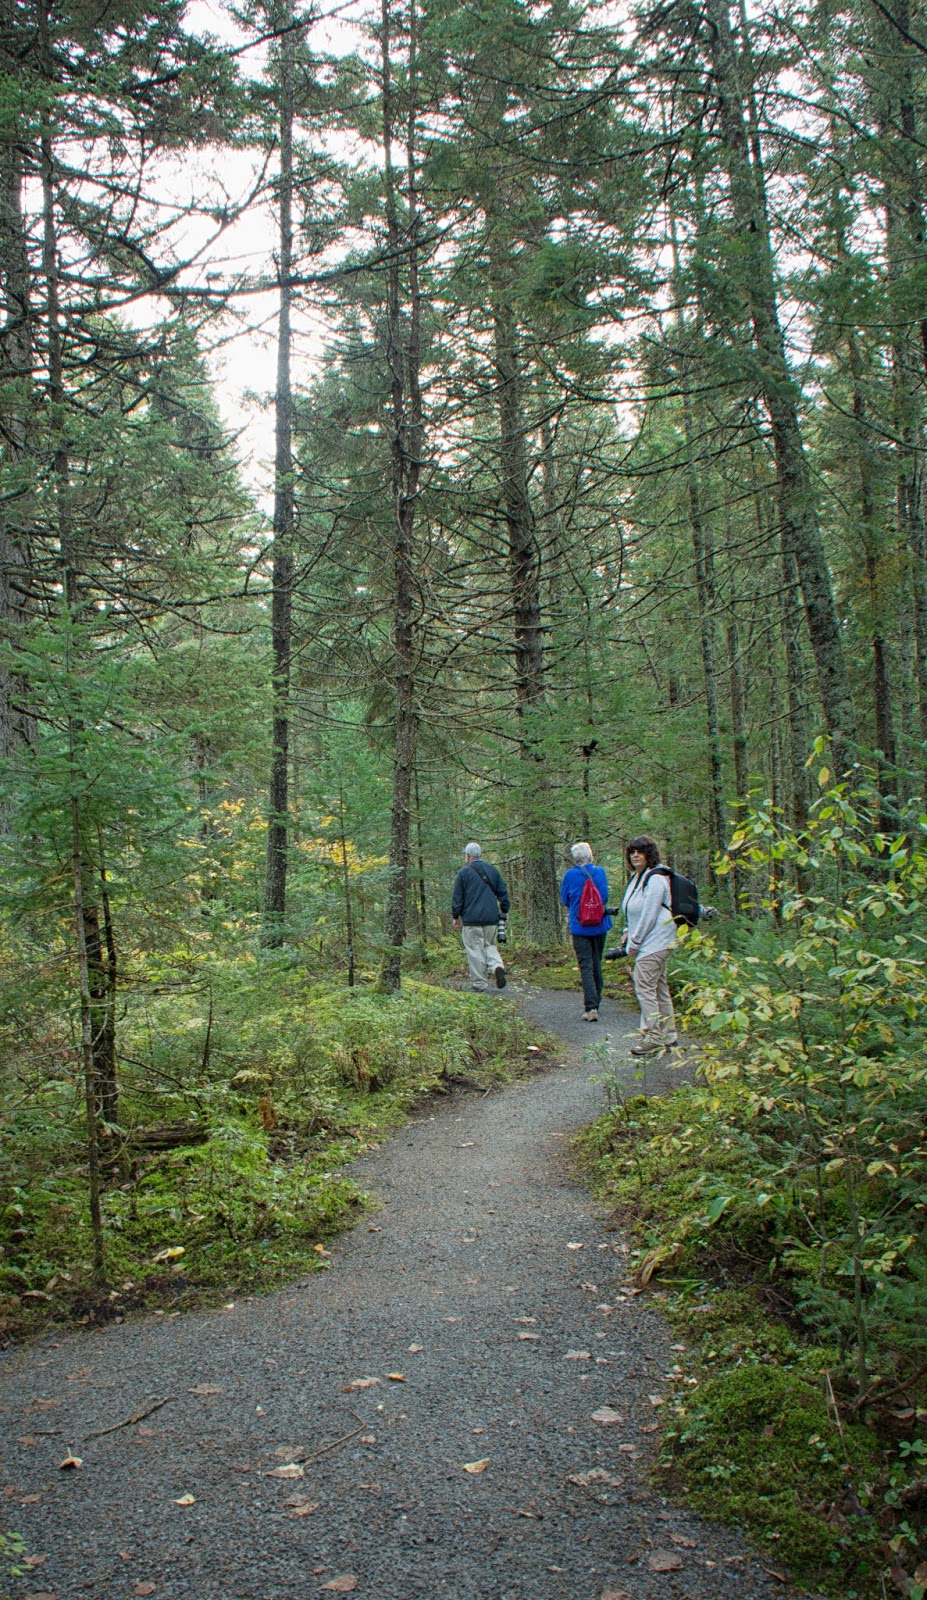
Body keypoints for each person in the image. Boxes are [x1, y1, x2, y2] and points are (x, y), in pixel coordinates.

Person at [621, 834, 678, 1055]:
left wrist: (635, 941)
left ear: (649, 854)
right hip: (650, 941)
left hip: (656, 941)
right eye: (632, 852)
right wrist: (628, 931)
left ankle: (654, 1037)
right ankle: (669, 1035)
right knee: (658, 987)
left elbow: (649, 914)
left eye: (640, 851)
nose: (635, 855)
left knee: (643, 985)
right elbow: (633, 911)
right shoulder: (638, 877)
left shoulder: (656, 879)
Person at [559, 841, 612, 1022]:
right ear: (590, 855)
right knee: (597, 963)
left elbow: (564, 899)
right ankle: (596, 1002)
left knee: (586, 966)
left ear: (575, 858)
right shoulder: (601, 872)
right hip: (600, 924)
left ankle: (591, 1008)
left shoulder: (570, 875)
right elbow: (604, 896)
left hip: (580, 926)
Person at [451, 843, 510, 992]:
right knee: (489, 944)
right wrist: (504, 910)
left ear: (468, 856)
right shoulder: (493, 870)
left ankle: (479, 984)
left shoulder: (463, 873)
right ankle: (497, 966)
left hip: (472, 919)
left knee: (475, 949)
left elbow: (458, 897)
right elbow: (502, 892)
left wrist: (455, 916)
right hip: (491, 917)